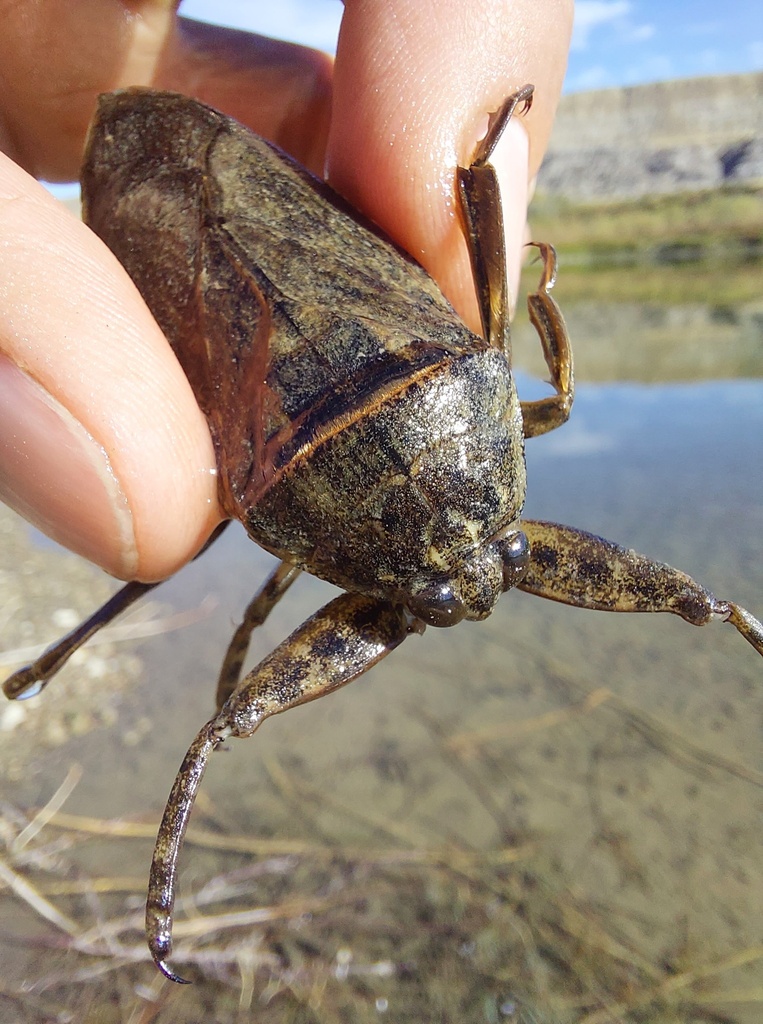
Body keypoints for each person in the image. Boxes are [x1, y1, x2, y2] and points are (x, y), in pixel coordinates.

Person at [0, 0, 573, 583]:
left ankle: (479, 173)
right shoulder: (308, 521)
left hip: (380, 369)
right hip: (280, 443)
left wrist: (517, 256)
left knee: (509, 355)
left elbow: (524, 369)